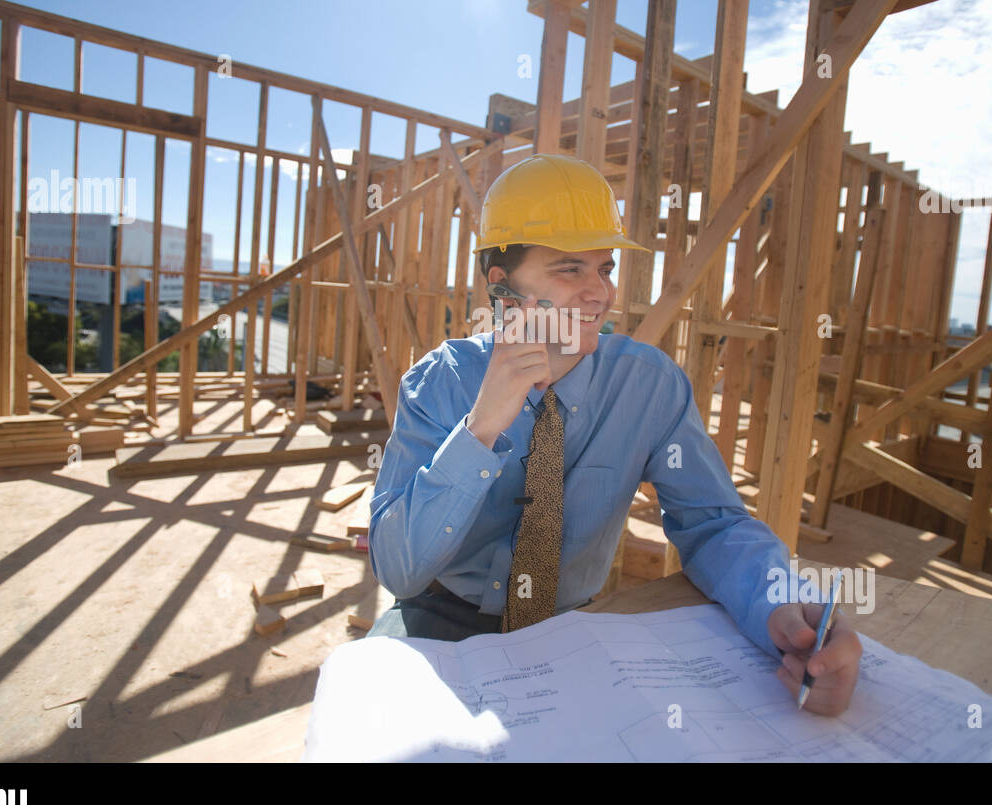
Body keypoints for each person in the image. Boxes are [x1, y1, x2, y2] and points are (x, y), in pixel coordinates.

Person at [366, 153, 861, 716]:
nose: (599, 292)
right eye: (570, 269)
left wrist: (781, 606)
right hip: (440, 618)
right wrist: (480, 430)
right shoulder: (441, 383)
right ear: (501, 288)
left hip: (574, 626)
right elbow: (399, 569)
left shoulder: (649, 387)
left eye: (604, 269)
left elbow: (713, 524)